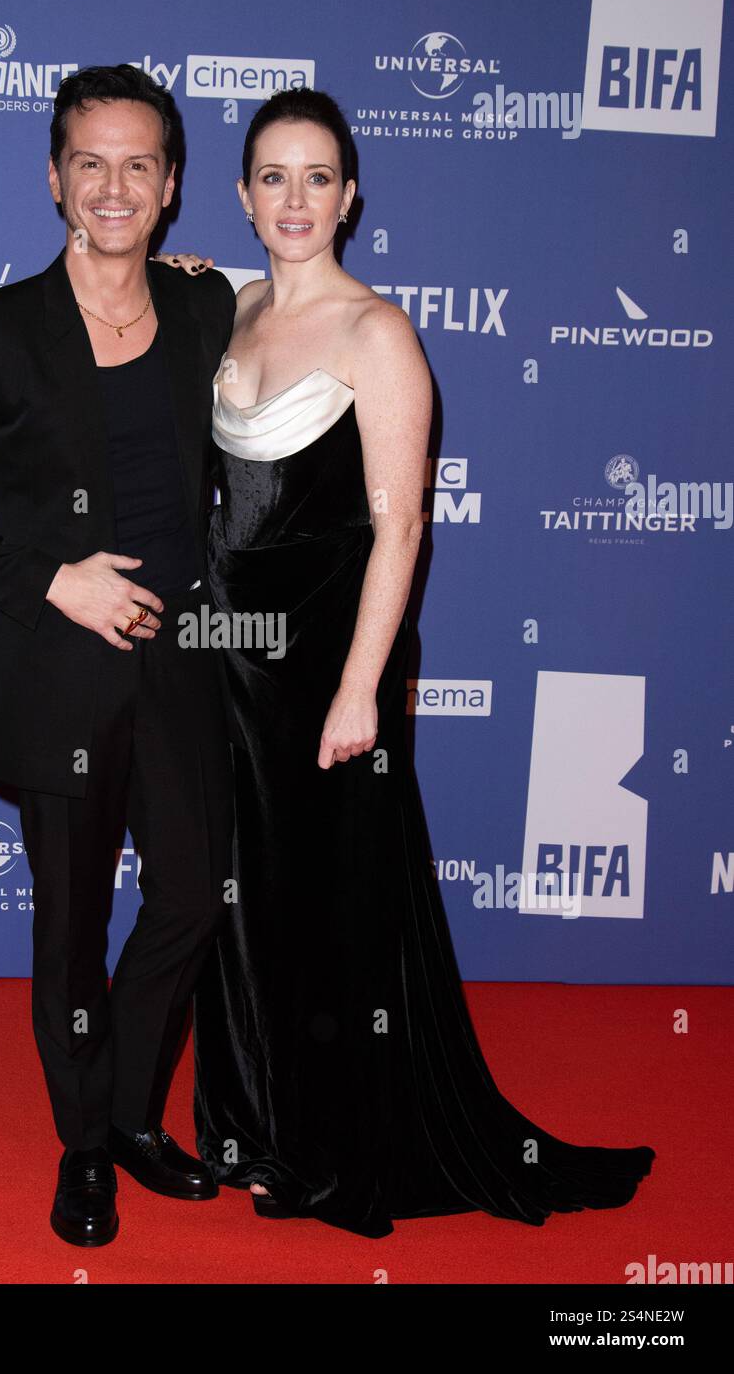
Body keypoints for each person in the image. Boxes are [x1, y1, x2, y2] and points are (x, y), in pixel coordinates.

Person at [171, 87, 655, 1239]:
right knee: (235, 904)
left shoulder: (376, 333)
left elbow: (399, 528)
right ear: (241, 196)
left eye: (317, 177)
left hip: (323, 674)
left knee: (332, 912)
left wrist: (358, 692)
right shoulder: (227, 310)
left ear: (351, 195)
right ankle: (248, 1127)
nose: (294, 200)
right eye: (272, 178)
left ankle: (332, 1147)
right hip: (224, 665)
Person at [0, 65, 237, 1247]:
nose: (113, 184)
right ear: (53, 177)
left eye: (138, 162)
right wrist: (51, 580)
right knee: (71, 924)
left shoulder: (202, 307)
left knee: (191, 898)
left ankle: (134, 1110)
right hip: (60, 672)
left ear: (172, 184)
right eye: (89, 160)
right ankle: (85, 1147)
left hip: (185, 661)